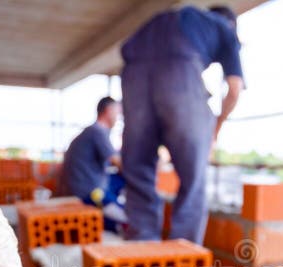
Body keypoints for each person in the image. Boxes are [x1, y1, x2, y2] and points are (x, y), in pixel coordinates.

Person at [120, 5, 244, 244]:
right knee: (193, 179)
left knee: (138, 168)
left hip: (133, 72)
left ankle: (141, 252)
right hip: (179, 71)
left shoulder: (178, 17)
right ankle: (183, 259)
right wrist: (214, 129)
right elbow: (234, 90)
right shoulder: (225, 29)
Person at [59, 96, 126, 231]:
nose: (118, 117)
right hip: (89, 192)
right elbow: (118, 163)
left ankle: (113, 214)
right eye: (117, 112)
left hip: (83, 186)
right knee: (129, 217)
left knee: (121, 179)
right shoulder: (98, 132)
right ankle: (121, 214)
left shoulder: (91, 132)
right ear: (108, 111)